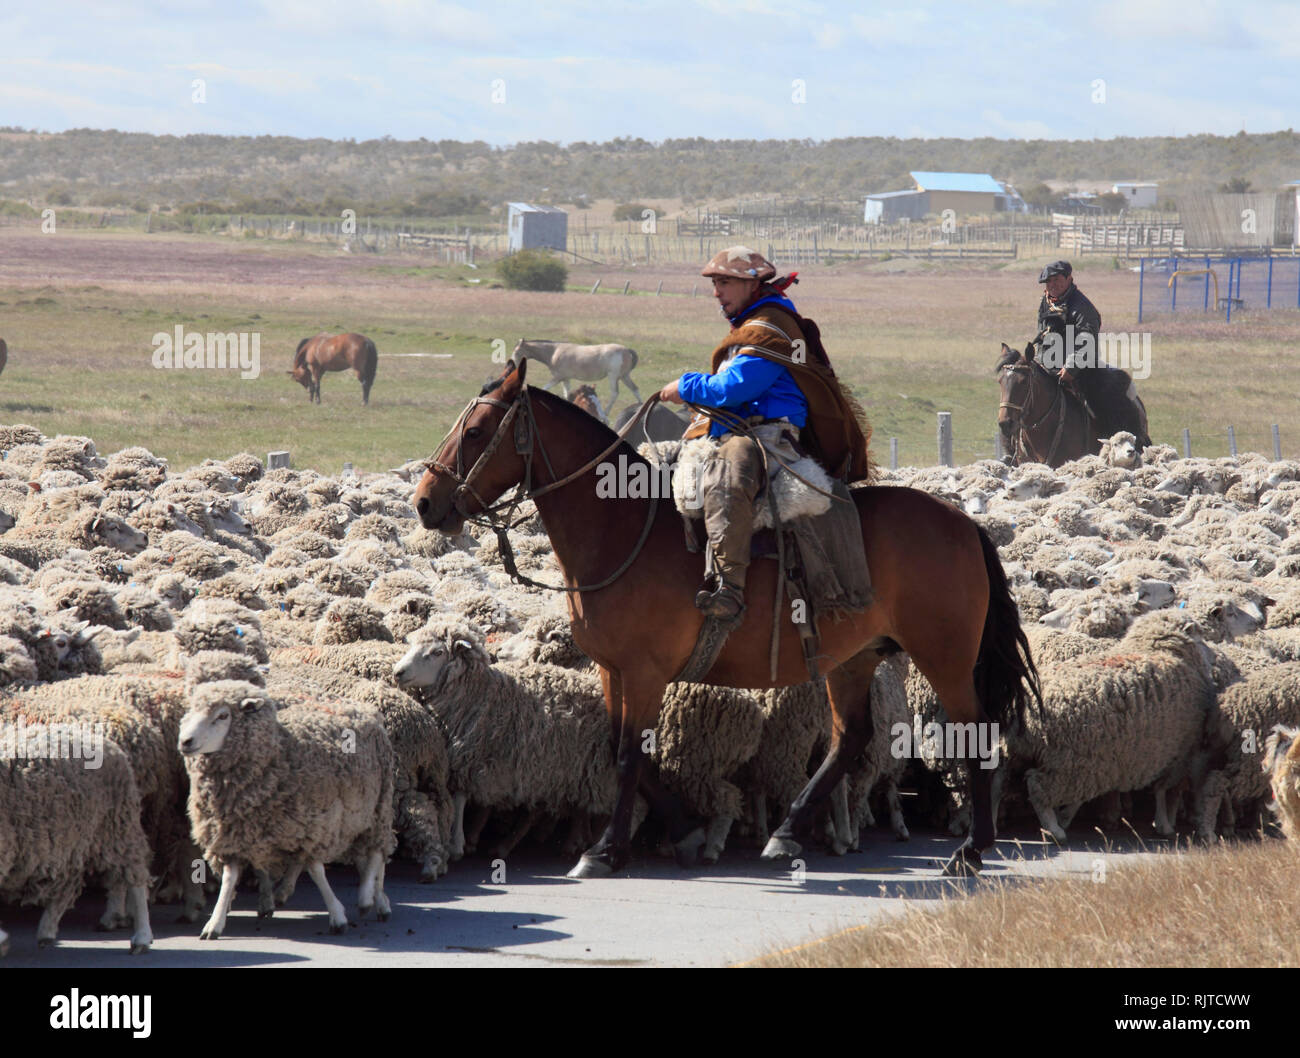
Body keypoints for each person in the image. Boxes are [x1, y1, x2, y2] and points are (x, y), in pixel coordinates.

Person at [658, 246, 870, 623]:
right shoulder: (755, 322)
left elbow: (733, 388)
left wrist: (686, 385)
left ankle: (729, 587)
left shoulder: (769, 327)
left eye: (724, 282)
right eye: (715, 283)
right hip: (742, 427)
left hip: (767, 436)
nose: (716, 292)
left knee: (730, 473)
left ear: (751, 284)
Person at [1036, 259, 1149, 444]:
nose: (1052, 285)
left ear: (1069, 278)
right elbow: (1043, 336)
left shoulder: (1082, 307)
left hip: (1082, 369)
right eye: (1048, 282)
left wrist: (1070, 368)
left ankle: (1127, 444)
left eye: (1056, 280)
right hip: (1050, 367)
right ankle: (1014, 450)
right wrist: (1040, 362)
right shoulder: (1046, 303)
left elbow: (1086, 342)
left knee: (1109, 396)